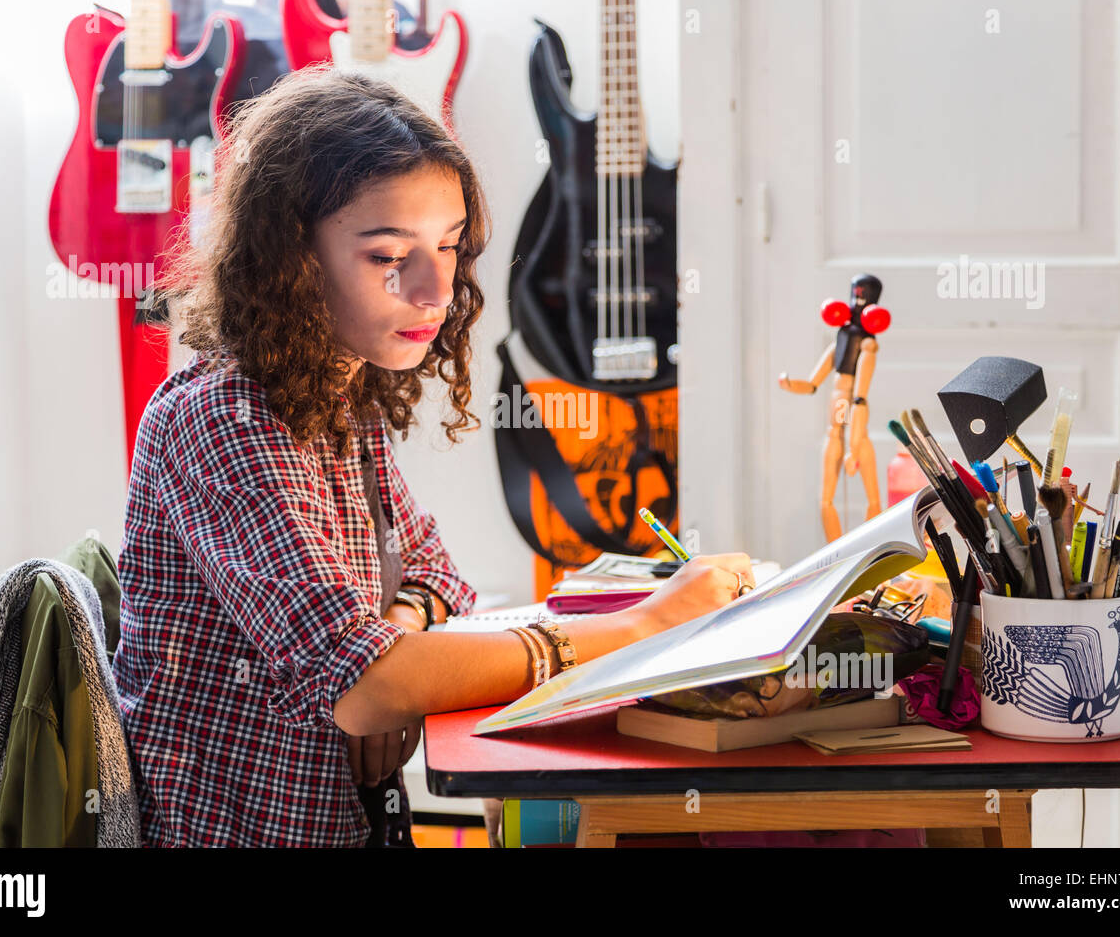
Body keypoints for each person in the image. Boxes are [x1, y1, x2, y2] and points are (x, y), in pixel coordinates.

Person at [111, 65, 755, 847]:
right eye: (389, 256)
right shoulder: (225, 420)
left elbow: (438, 574)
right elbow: (364, 687)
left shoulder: (336, 397)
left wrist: (396, 630)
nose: (435, 291)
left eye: (449, 247)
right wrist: (646, 623)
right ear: (291, 258)